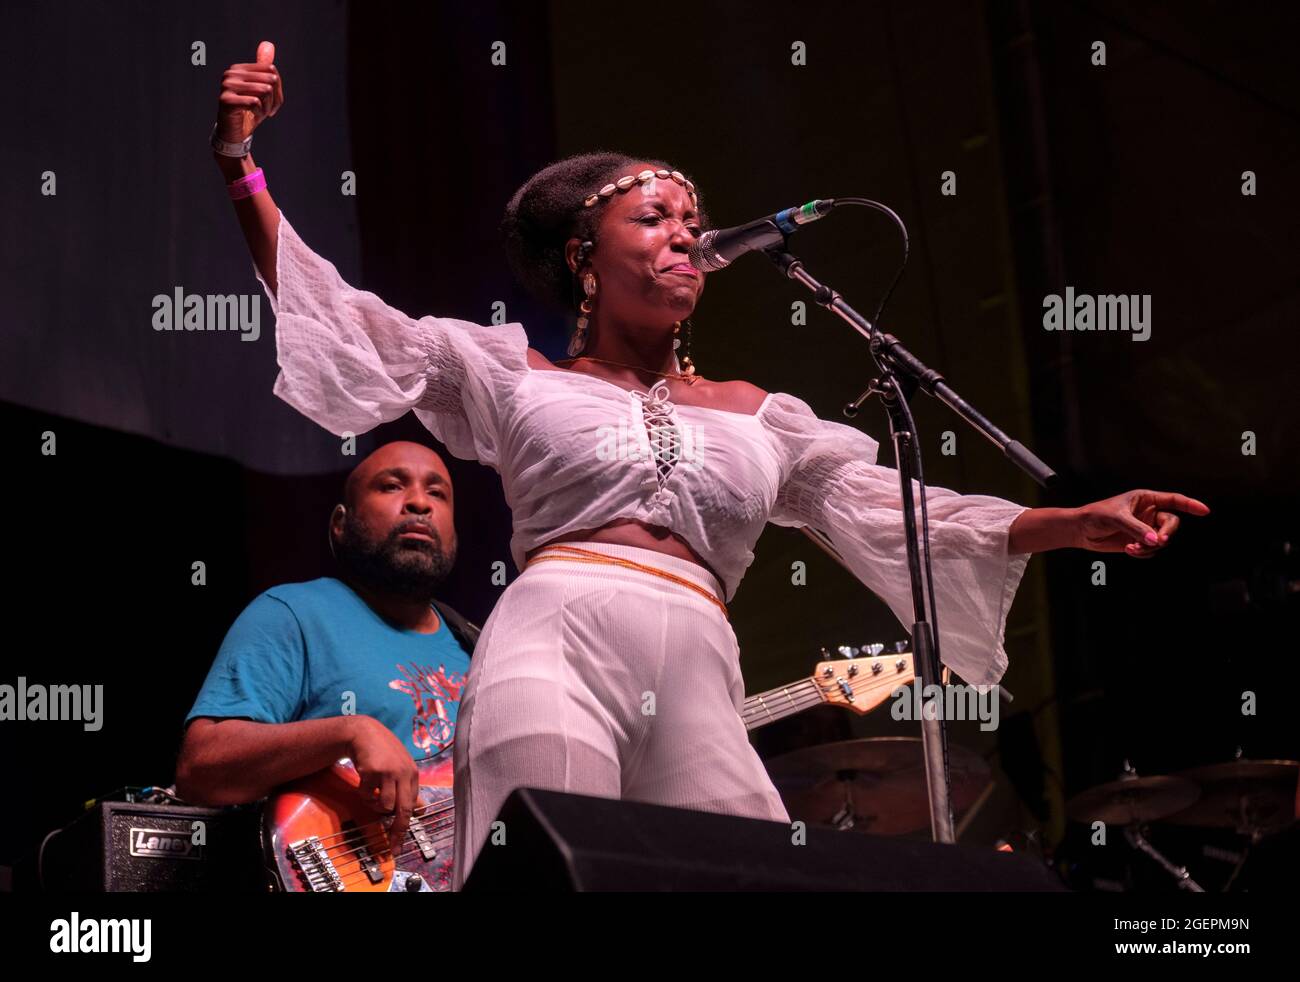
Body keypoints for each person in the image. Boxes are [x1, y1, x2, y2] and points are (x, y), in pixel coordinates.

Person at [210, 41, 1211, 888]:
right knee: (545, 877)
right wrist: (243, 163)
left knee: (736, 881)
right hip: (552, 635)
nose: (685, 237)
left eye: (692, 223)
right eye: (652, 220)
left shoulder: (758, 414)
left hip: (700, 656)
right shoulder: (507, 372)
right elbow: (339, 315)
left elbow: (897, 508)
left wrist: (1068, 524)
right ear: (581, 259)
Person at [175, 441, 478, 851]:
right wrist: (347, 732)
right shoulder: (292, 614)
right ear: (340, 522)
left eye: (437, 493)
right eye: (392, 486)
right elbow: (201, 770)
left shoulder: (479, 648)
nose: (419, 503)